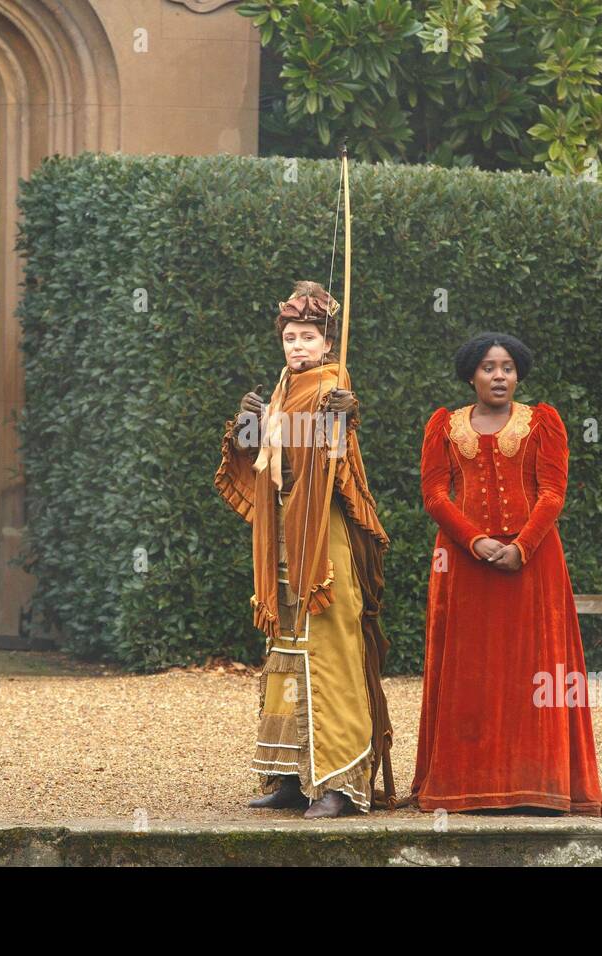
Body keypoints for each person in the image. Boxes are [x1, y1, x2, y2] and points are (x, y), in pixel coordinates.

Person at [409, 331, 602, 816]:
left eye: (507, 367)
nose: (499, 376)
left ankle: (538, 785)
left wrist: (521, 547)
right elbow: (434, 495)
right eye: (488, 367)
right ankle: (465, 787)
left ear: (518, 374)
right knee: (470, 671)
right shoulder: (443, 426)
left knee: (536, 672)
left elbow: (552, 492)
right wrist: (476, 541)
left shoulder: (543, 422)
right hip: (463, 568)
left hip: (533, 568)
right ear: (472, 375)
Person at [214, 280, 396, 818]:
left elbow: (335, 460)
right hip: (282, 532)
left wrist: (343, 417)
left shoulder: (333, 387)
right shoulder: (278, 390)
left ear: (326, 343)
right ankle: (293, 777)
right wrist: (248, 421)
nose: (297, 346)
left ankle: (340, 785)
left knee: (329, 647)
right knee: (287, 649)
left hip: (322, 535)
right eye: (290, 337)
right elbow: (262, 460)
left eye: (308, 337)